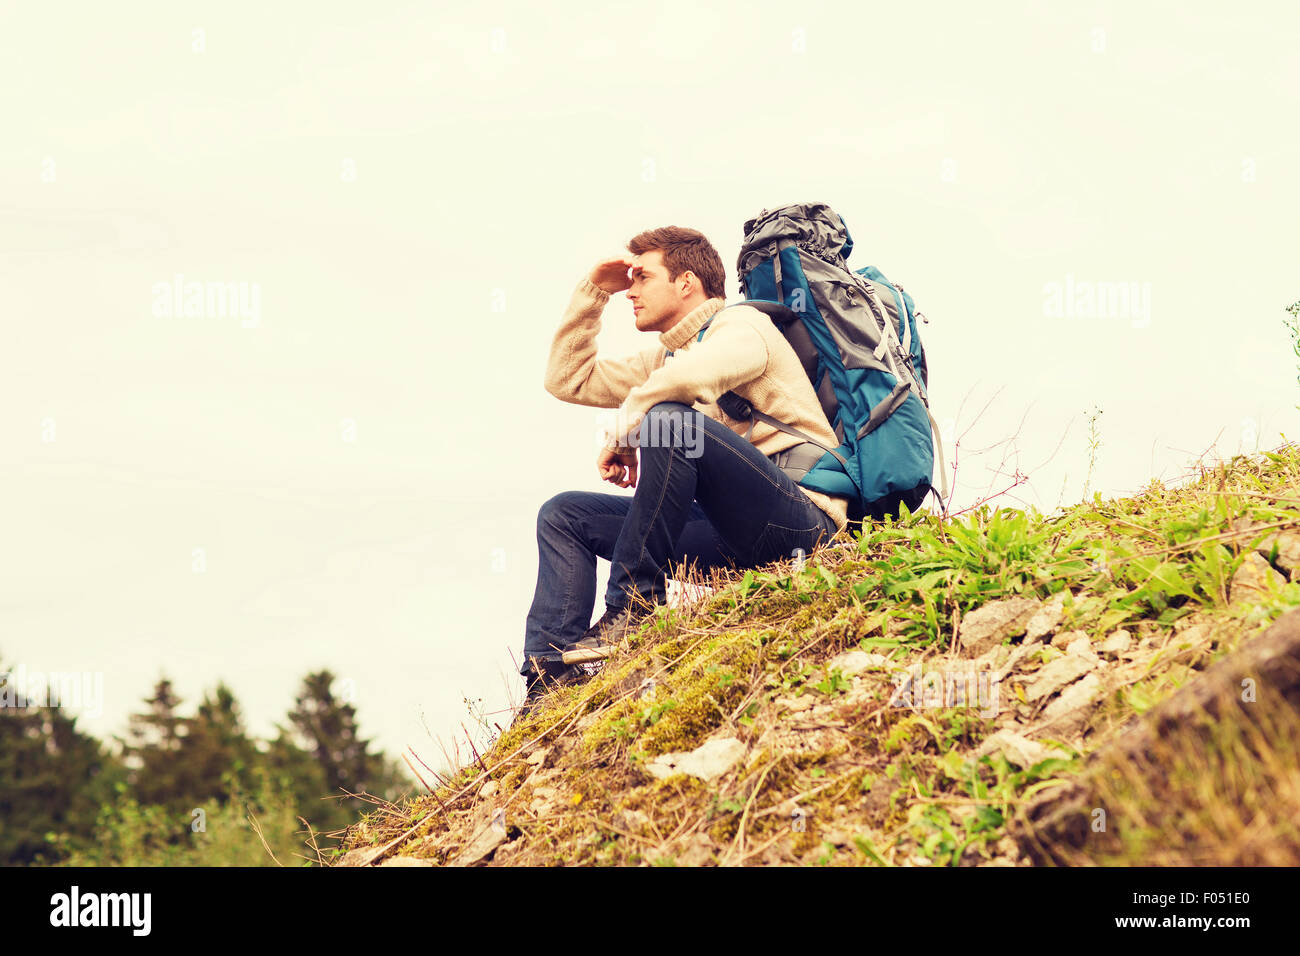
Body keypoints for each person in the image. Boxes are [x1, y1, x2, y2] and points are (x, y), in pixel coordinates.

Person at [518, 226, 850, 717]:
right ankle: (549, 678)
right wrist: (593, 292)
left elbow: (686, 381)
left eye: (642, 278)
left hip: (800, 524)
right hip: (732, 539)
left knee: (668, 421)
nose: (630, 290)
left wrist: (623, 433)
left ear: (687, 282)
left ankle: (633, 607)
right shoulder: (666, 356)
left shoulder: (743, 329)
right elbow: (568, 379)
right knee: (564, 514)